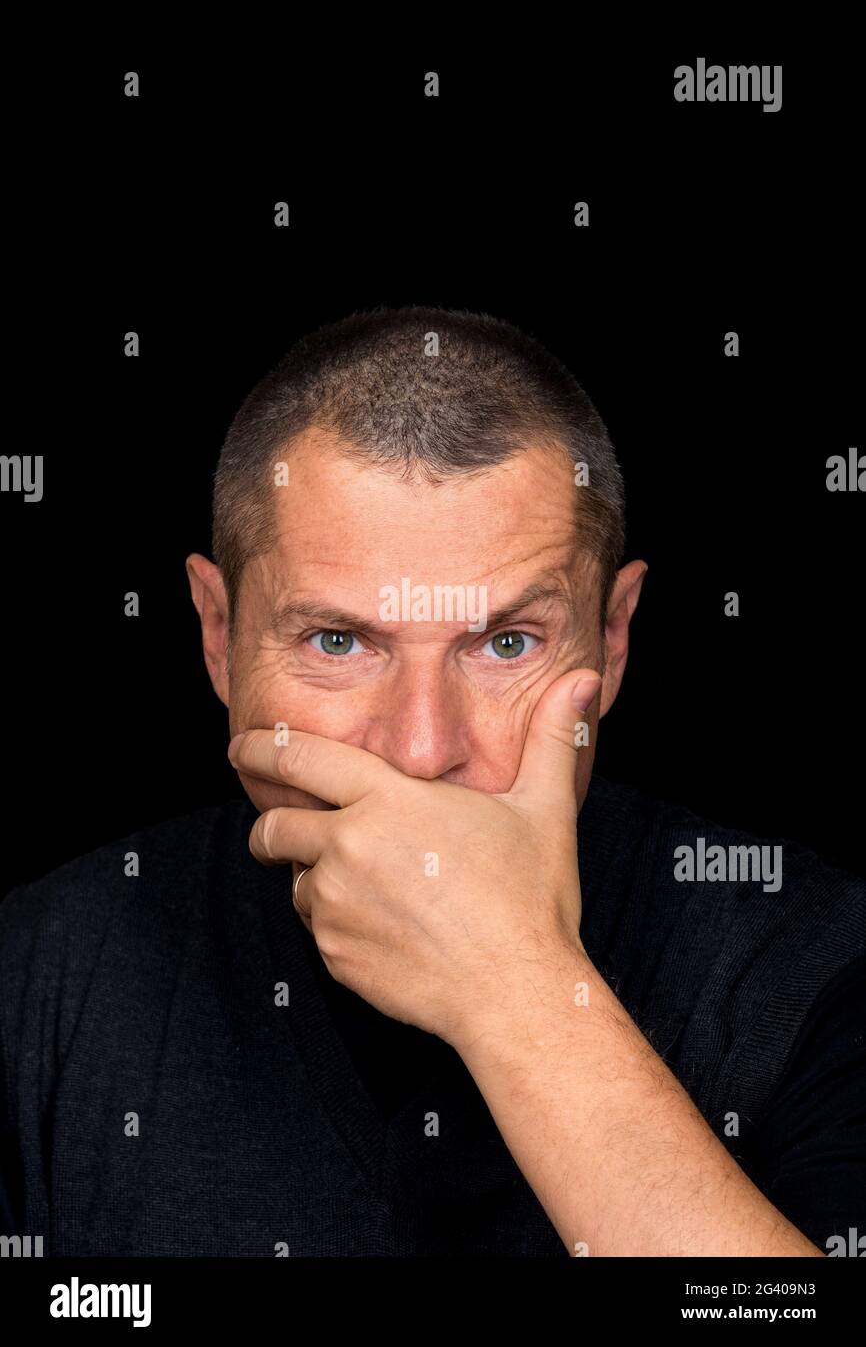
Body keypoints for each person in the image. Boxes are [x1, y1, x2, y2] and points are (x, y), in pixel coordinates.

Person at [1, 307, 864, 1257]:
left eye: (504, 644)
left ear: (613, 642)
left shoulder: (818, 966)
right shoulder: (37, 977)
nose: (419, 751)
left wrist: (517, 993)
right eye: (337, 642)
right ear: (217, 635)